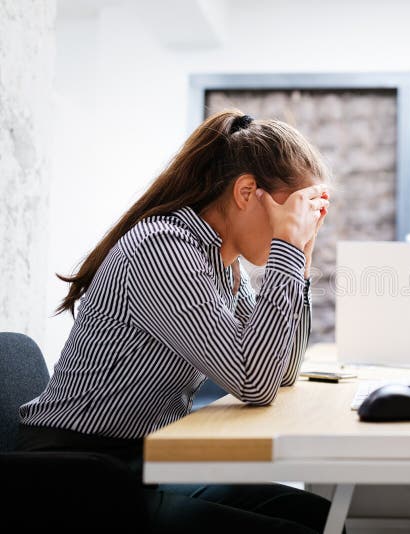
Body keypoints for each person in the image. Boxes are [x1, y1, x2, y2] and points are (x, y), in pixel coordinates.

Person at [15, 109, 334, 533]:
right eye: (295, 212)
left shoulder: (221, 262)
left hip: (143, 464)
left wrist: (301, 256)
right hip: (78, 477)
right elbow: (255, 382)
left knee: (321, 516)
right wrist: (287, 250)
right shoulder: (164, 248)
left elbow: (281, 371)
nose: (300, 226)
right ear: (245, 193)